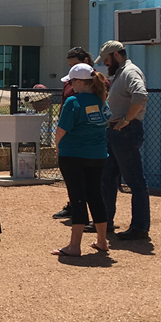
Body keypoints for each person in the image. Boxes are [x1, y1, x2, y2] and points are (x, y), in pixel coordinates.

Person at [51, 63, 112, 256]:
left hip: (73, 154)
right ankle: (102, 241)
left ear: (78, 82)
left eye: (70, 82)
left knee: (77, 197)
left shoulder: (72, 101)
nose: (69, 86)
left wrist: (57, 147)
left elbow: (61, 130)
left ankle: (74, 245)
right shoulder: (101, 99)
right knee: (95, 196)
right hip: (98, 154)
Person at [96, 40, 151, 240]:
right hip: (115, 133)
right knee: (107, 178)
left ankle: (140, 227)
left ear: (116, 55)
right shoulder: (121, 73)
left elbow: (141, 95)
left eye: (107, 60)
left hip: (126, 133)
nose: (105, 64)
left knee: (135, 181)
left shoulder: (130, 72)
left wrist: (127, 119)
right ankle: (105, 222)